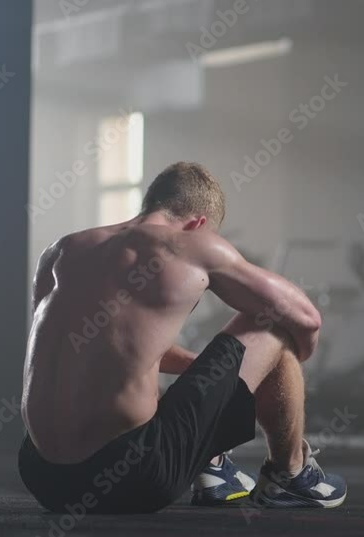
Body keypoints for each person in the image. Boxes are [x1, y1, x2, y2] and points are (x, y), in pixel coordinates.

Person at [18, 161, 346, 513]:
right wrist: (292, 355)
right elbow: (307, 319)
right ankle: (290, 476)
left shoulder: (61, 251)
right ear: (199, 225)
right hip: (133, 476)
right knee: (272, 323)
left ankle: (213, 468)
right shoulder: (189, 246)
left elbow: (118, 349)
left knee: (138, 381)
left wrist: (208, 377)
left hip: (43, 477)